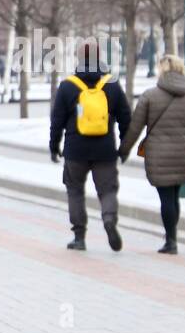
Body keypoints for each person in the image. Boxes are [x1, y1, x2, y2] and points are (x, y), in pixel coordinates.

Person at [118, 55, 185, 255]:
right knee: (174, 196)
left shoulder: (150, 96)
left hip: (158, 156)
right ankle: (172, 237)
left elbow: (135, 128)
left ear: (162, 70)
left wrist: (123, 151)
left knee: (166, 198)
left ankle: (171, 241)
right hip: (184, 155)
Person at [50, 39, 131, 252]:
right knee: (107, 190)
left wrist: (54, 145)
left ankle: (79, 237)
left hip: (75, 149)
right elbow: (125, 116)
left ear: (78, 58)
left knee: (75, 191)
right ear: (99, 57)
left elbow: (57, 120)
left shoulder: (68, 85)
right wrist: (124, 145)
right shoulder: (111, 84)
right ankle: (109, 219)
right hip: (104, 148)